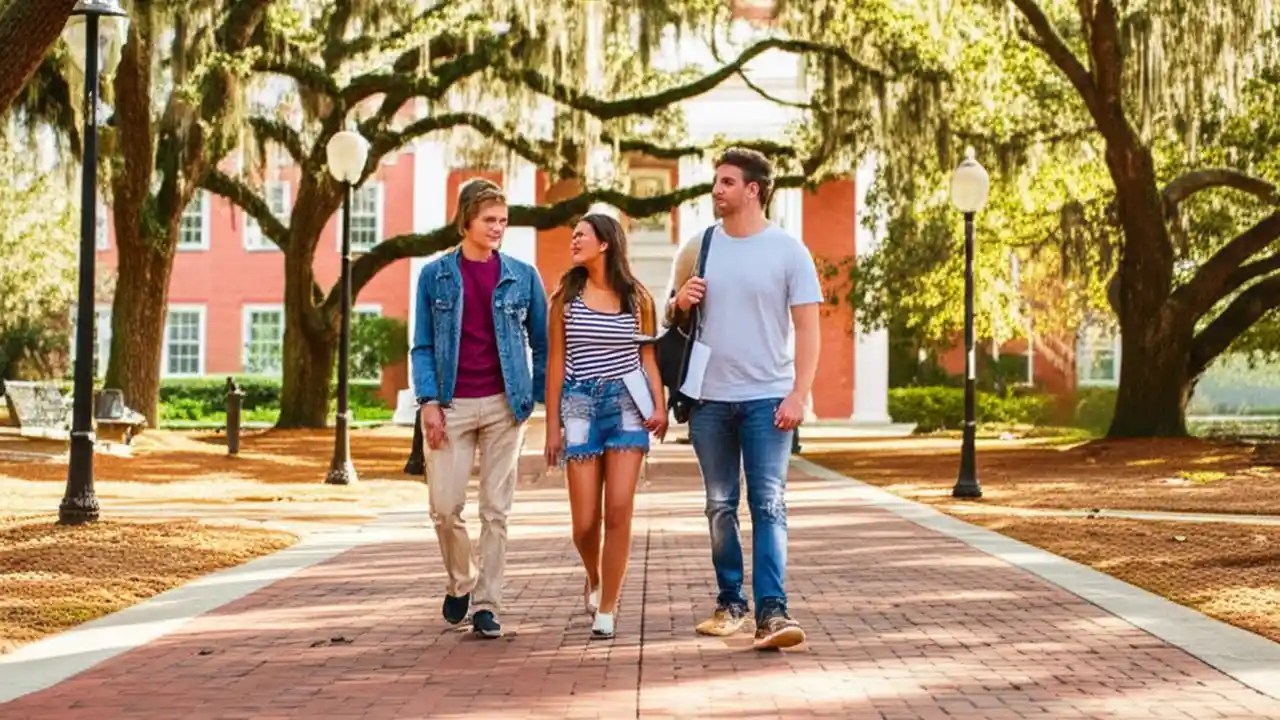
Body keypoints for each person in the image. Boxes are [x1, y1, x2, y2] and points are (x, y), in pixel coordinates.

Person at [663, 147, 822, 650]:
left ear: (753, 190)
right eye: (717, 182)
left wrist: (800, 394)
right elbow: (669, 318)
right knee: (719, 504)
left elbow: (808, 327)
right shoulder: (700, 246)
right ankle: (730, 602)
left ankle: (773, 613)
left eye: (727, 182)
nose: (717, 190)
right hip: (709, 399)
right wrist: (679, 302)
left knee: (769, 502)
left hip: (767, 398)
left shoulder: (788, 251)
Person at [411, 178, 548, 639]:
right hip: (451, 405)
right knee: (445, 508)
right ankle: (461, 582)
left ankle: (488, 603)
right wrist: (428, 401)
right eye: (490, 220)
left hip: (505, 407)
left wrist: (542, 402)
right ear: (466, 218)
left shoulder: (522, 275)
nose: (497, 229)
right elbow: (423, 344)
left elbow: (544, 344)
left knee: (496, 510)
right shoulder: (435, 276)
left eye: (503, 221)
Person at [544, 213, 668, 640]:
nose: (573, 240)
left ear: (605, 244)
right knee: (583, 524)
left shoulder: (639, 299)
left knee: (618, 510)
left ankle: (608, 607)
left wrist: (660, 406)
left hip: (627, 405)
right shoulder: (564, 297)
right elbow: (556, 363)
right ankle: (593, 577)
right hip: (578, 404)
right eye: (572, 233)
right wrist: (551, 427)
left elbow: (648, 358)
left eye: (581, 234)